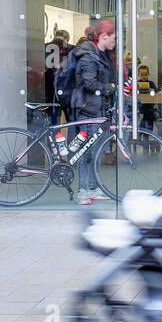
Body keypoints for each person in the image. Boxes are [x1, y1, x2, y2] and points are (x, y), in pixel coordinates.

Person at [65, 20, 116, 205]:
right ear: (104, 36)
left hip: (96, 107)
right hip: (87, 108)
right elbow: (90, 83)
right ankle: (83, 191)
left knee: (95, 150)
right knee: (86, 152)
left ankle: (93, 188)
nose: (115, 41)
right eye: (113, 37)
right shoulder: (88, 56)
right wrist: (110, 87)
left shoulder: (100, 54)